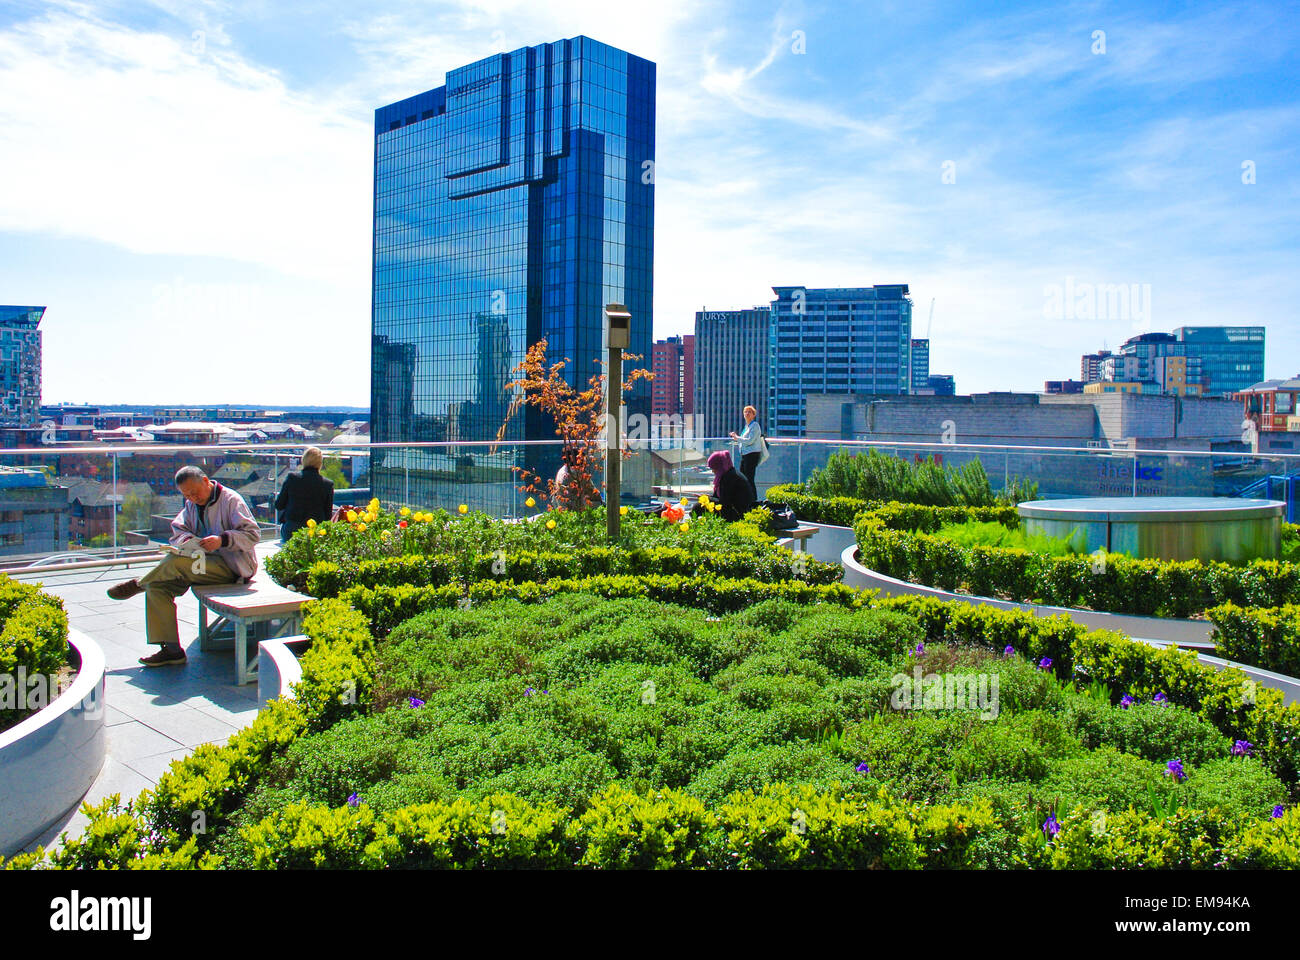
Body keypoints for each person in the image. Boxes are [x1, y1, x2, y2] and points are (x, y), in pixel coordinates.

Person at [105, 466, 262, 667]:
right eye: (187, 495)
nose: (192, 498)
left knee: (174, 562)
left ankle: (139, 583)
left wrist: (222, 540)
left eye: (195, 492)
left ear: (206, 481)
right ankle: (172, 650)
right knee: (157, 588)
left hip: (232, 567)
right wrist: (187, 539)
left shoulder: (231, 500)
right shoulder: (191, 504)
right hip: (200, 564)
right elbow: (178, 529)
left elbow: (253, 535)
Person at [275, 446, 335, 542]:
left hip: (292, 531)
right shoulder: (327, 484)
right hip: (315, 532)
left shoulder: (292, 478)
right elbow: (328, 515)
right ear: (320, 463)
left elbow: (279, 505)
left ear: (304, 460)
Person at [702, 449, 755, 521]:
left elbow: (724, 502)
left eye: (714, 468)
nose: (713, 471)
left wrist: (708, 499)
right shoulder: (728, 474)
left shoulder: (730, 478)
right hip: (733, 510)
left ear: (719, 467)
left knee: (699, 507)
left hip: (738, 514)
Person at [728, 405, 765, 495]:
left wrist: (737, 438)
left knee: (749, 478)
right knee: (743, 477)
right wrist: (736, 437)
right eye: (745, 412)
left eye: (749, 412)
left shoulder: (755, 425)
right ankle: (745, 497)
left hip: (752, 454)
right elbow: (743, 440)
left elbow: (749, 441)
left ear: (753, 415)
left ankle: (753, 500)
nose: (747, 413)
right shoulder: (747, 427)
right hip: (745, 455)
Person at [553, 445, 601, 511]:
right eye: (581, 458)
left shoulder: (563, 470)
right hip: (576, 509)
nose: (584, 461)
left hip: (564, 508)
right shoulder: (576, 474)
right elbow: (593, 493)